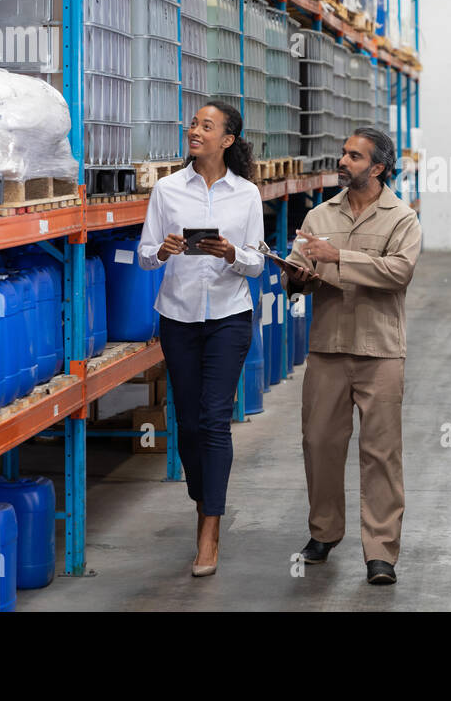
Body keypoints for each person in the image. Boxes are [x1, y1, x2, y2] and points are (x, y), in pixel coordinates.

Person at [276, 127, 422, 585]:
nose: (343, 161)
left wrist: (338, 257)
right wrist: (296, 275)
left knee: (380, 453)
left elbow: (398, 273)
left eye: (354, 156)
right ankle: (324, 533)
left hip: (379, 351)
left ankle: (381, 552)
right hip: (327, 348)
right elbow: (295, 277)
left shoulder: (402, 218)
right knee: (319, 444)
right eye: (342, 154)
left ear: (377, 167)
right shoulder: (319, 215)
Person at [138, 101, 264, 577]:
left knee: (214, 421)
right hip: (179, 317)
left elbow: (256, 262)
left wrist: (232, 252)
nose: (195, 131)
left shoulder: (246, 194)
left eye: (206, 126)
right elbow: (146, 255)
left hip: (230, 317)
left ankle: (209, 528)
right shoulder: (168, 189)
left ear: (227, 139)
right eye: (193, 123)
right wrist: (164, 249)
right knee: (188, 424)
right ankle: (203, 497)